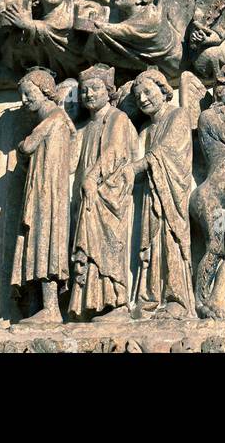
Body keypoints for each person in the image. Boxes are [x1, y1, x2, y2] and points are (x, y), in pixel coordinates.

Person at [69, 65, 138, 320]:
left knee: (109, 245)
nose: (89, 94)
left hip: (108, 195)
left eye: (95, 88)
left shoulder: (117, 118)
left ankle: (117, 303)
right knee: (88, 248)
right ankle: (94, 304)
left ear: (108, 91)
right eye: (84, 90)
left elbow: (115, 151)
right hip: (89, 197)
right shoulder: (85, 127)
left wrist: (92, 177)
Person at [11, 67, 77, 324]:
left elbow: (29, 147)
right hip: (41, 192)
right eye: (22, 96)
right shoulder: (54, 122)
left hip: (47, 195)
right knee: (37, 243)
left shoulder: (54, 121)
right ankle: (40, 306)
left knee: (45, 245)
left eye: (29, 94)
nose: (25, 100)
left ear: (45, 91)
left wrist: (22, 147)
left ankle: (50, 309)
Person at [132, 68, 194, 318]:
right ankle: (150, 297)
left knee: (170, 240)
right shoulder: (145, 130)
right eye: (137, 97)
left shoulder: (178, 115)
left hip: (172, 195)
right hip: (151, 195)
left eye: (148, 92)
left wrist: (136, 167)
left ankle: (176, 299)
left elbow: (167, 151)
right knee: (151, 243)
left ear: (164, 90)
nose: (143, 99)